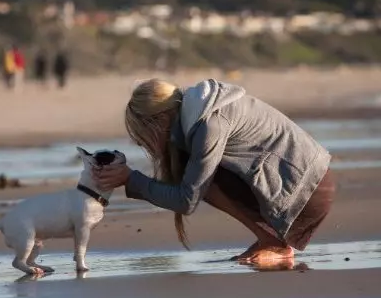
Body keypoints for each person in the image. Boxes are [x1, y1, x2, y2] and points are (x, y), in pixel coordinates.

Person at [92, 79, 335, 263]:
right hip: (311, 182)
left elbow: (187, 200)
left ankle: (274, 243)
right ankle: (270, 239)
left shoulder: (209, 125)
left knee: (202, 179)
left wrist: (131, 179)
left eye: (141, 135)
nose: (140, 143)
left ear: (159, 121)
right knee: (197, 174)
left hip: (307, 191)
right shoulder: (199, 111)